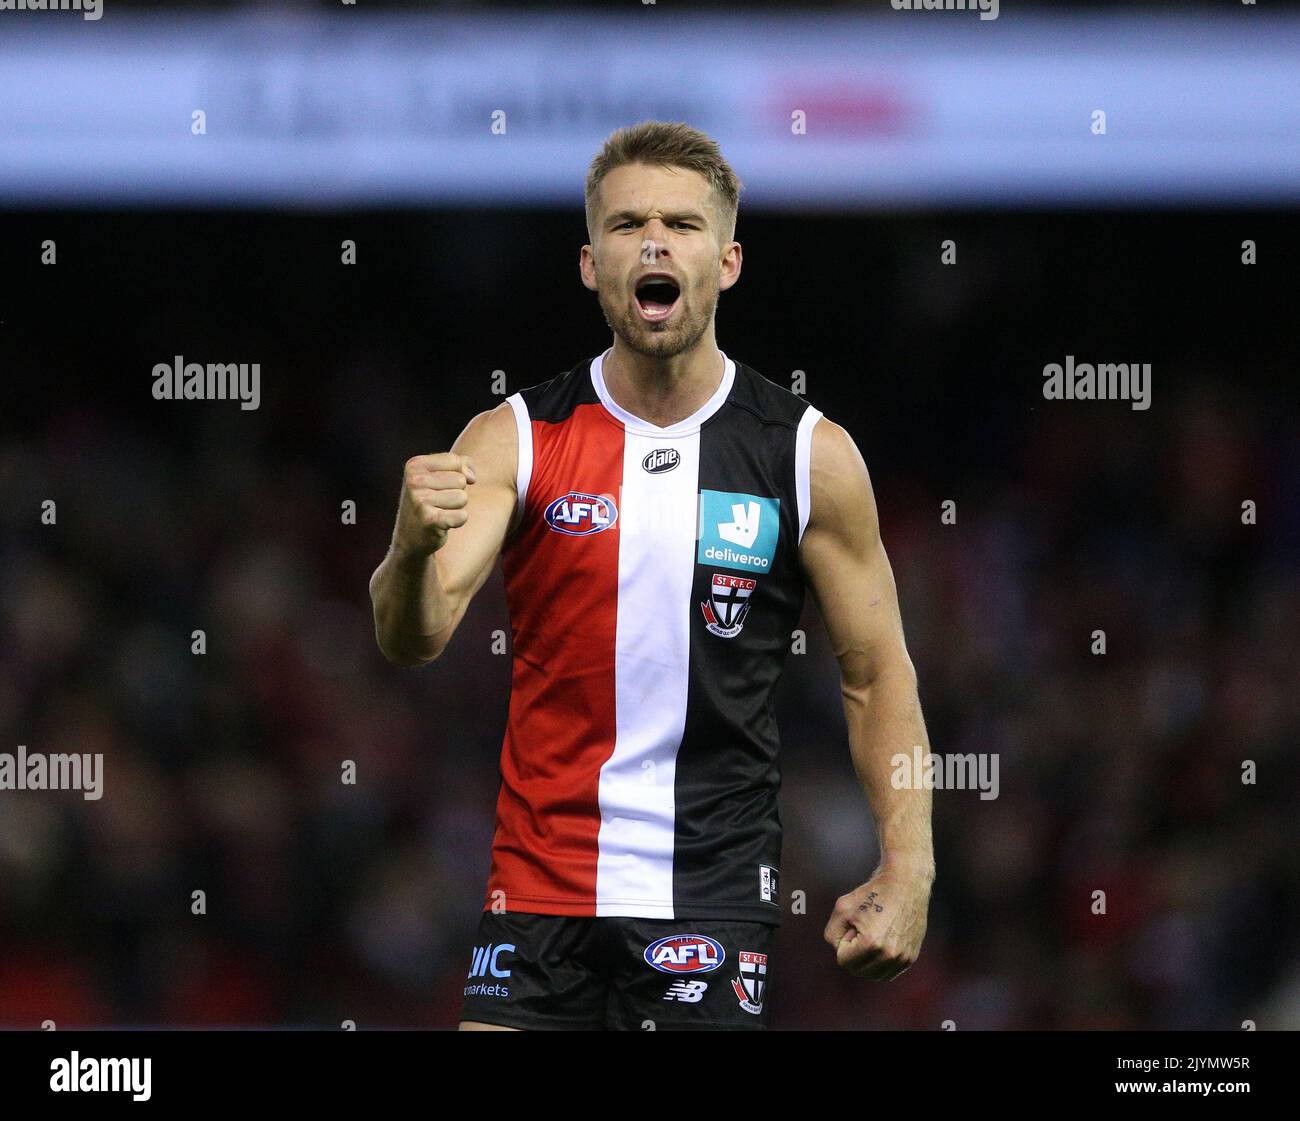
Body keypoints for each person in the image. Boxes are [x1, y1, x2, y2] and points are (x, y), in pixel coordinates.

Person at [369, 121, 935, 1031]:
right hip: (538, 887)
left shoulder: (805, 454)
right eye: (629, 225)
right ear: (592, 264)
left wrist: (908, 868)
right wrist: (408, 549)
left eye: (682, 223)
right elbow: (414, 635)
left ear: (730, 259)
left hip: (709, 891)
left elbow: (877, 673)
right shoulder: (515, 437)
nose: (656, 242)